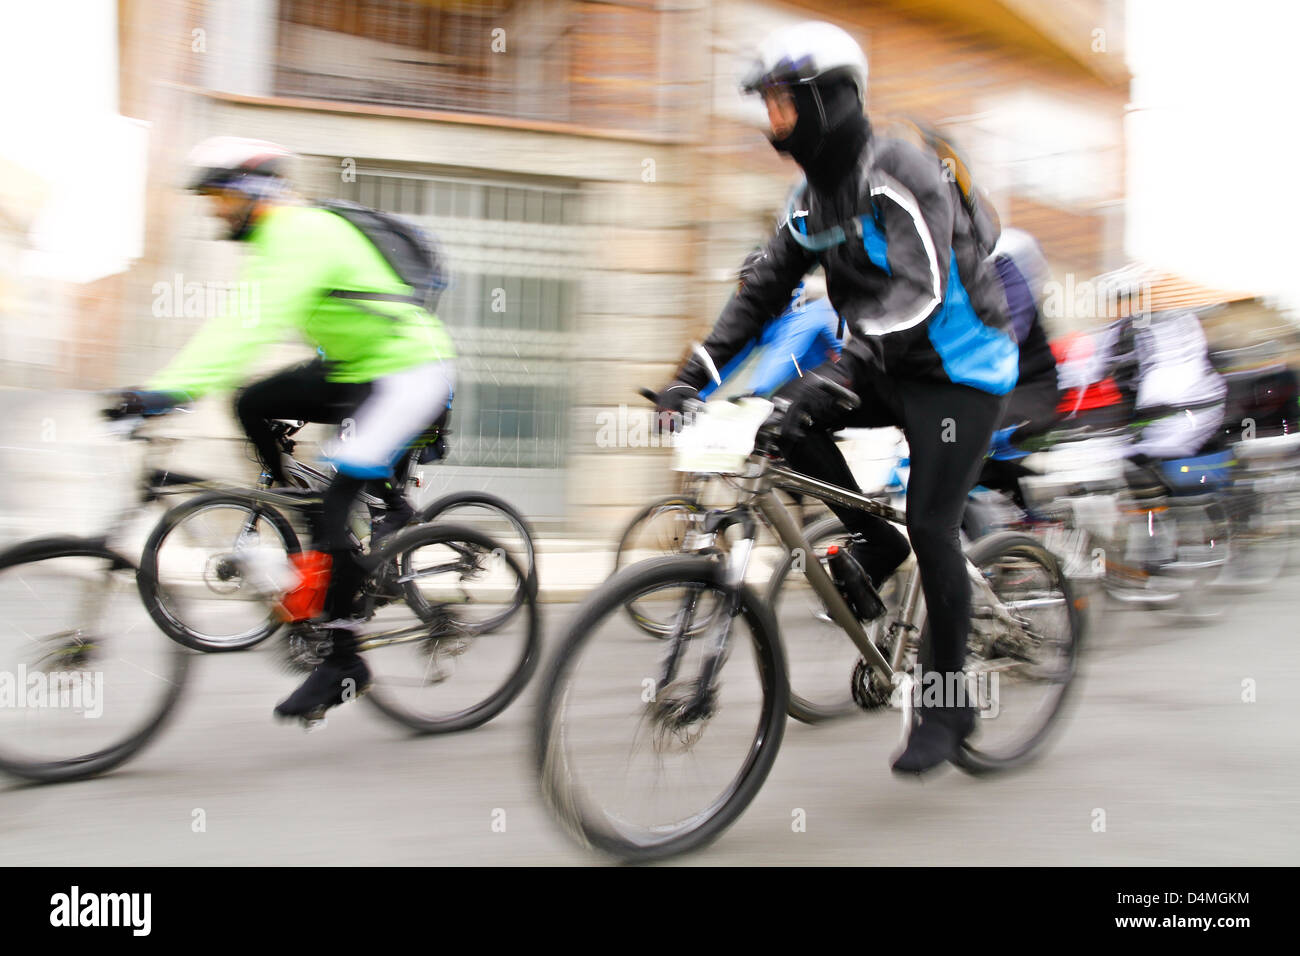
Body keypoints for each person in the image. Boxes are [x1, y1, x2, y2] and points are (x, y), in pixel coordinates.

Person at [655, 21, 1018, 774]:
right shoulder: (807, 201)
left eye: (785, 103)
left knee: (934, 524)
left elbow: (922, 294)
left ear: (833, 99)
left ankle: (949, 706)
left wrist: (842, 371)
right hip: (883, 362)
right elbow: (760, 295)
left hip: (961, 372)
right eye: (768, 106)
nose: (773, 120)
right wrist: (693, 373)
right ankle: (873, 543)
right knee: (776, 426)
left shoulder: (899, 172)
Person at [108, 136, 458, 721]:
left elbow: (248, 328)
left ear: (253, 192)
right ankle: (295, 497)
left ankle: (345, 659)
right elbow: (238, 326)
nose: (213, 210)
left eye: (218, 196)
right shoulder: (277, 241)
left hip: (408, 371)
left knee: (340, 491)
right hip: (356, 368)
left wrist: (168, 392)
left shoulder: (302, 233)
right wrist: (166, 388)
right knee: (253, 401)